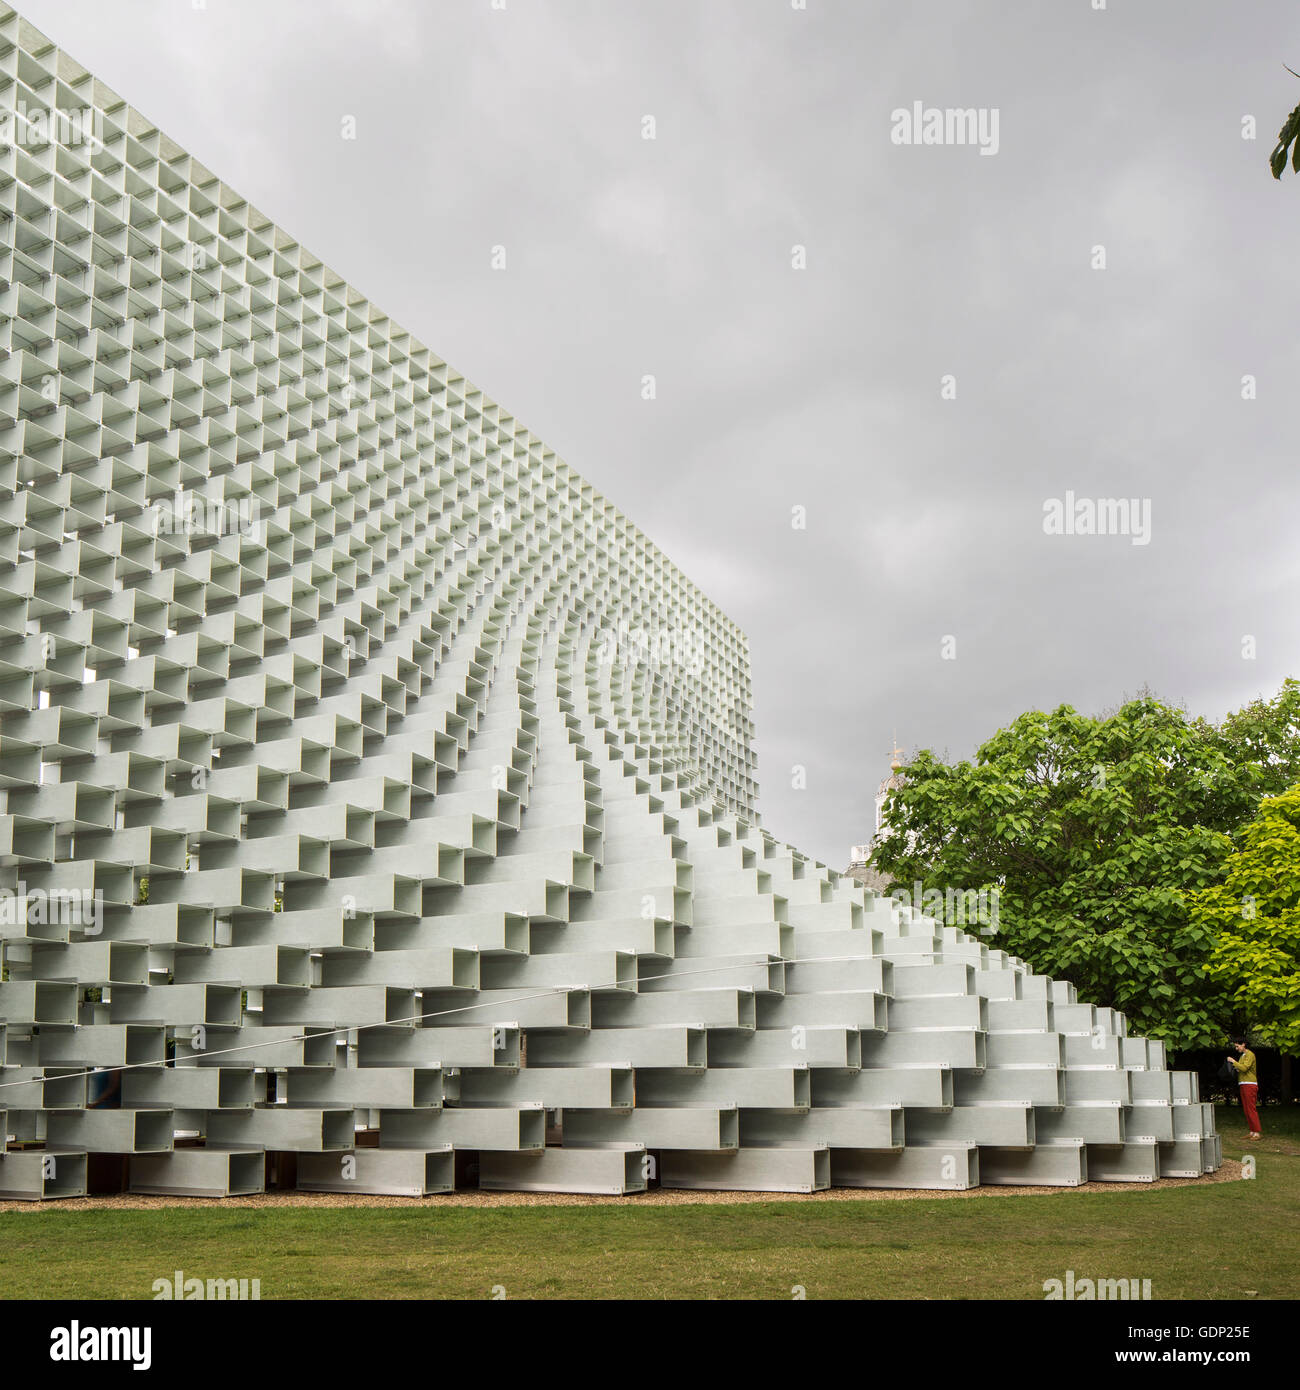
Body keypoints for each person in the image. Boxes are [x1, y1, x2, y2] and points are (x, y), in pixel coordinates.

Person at [1226, 1037, 1261, 1139]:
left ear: (1243, 1044)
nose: (1236, 1048)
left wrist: (1233, 1061)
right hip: (1243, 1083)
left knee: (1251, 1109)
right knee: (1246, 1109)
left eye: (1237, 1046)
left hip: (1250, 1084)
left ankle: (1257, 1133)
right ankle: (1252, 1131)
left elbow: (1244, 1068)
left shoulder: (1250, 1054)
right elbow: (1240, 1068)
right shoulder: (1243, 1056)